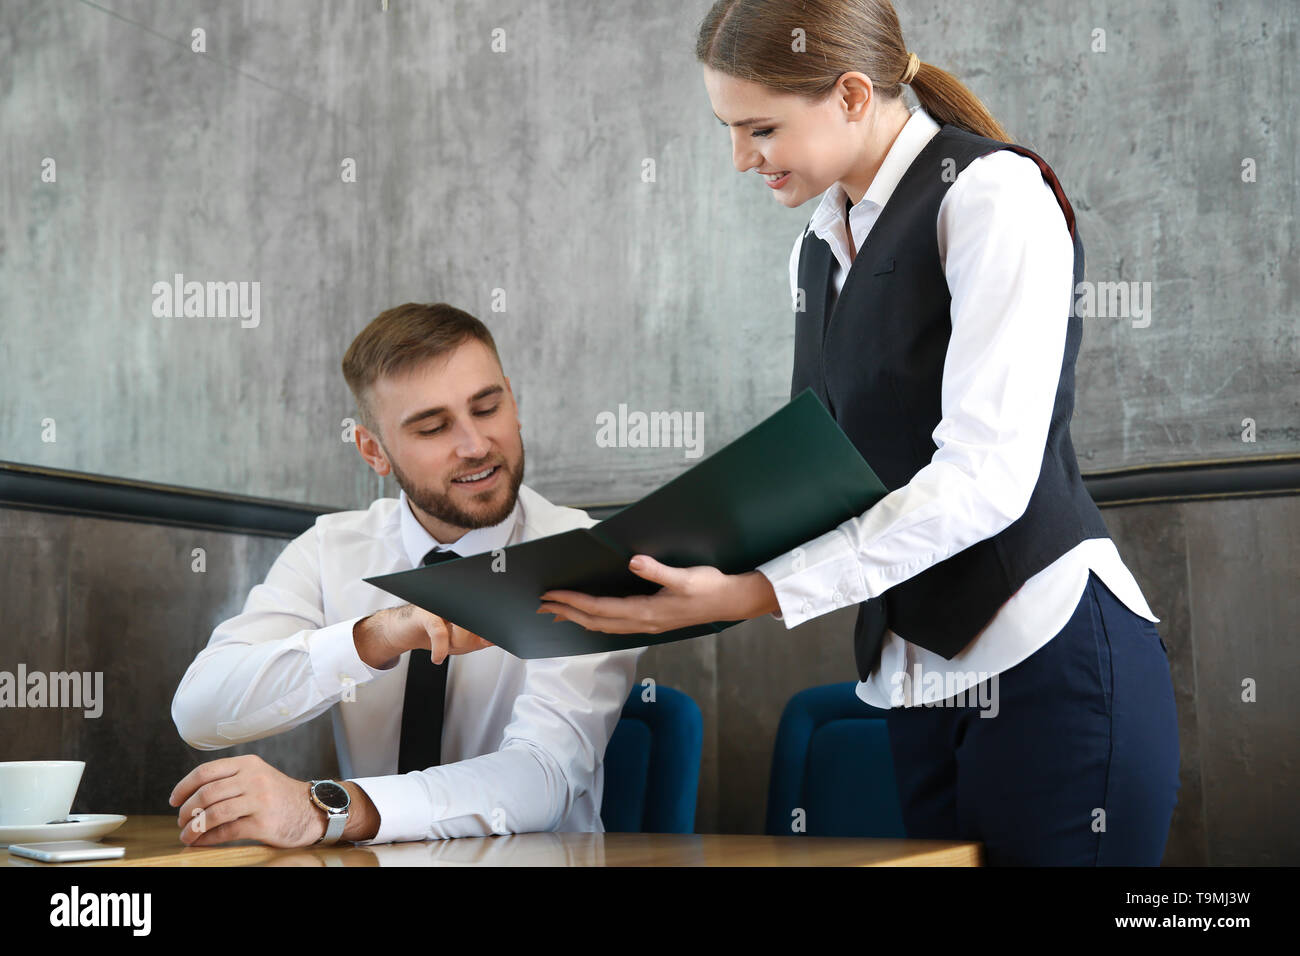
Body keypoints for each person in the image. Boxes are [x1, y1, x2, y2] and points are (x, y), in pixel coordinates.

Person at [536, 0, 1180, 866]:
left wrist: (758, 593)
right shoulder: (818, 244)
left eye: (760, 127)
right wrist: (633, 574)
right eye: (728, 128)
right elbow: (832, 472)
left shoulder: (992, 194)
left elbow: (986, 477)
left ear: (848, 94)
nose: (740, 158)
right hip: (914, 683)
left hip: (1050, 664)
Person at [170, 302, 642, 848]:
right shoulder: (330, 550)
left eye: (487, 408)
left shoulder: (584, 555)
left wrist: (328, 810)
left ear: (512, 399)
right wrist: (375, 636)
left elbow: (545, 777)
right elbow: (199, 712)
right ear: (375, 452)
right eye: (434, 427)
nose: (475, 445)